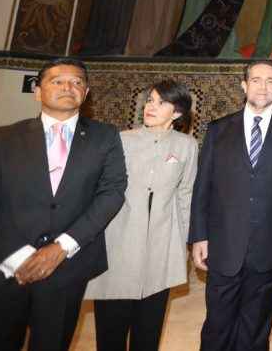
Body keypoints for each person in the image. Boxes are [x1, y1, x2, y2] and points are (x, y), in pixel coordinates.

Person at [0, 57, 127, 351]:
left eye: (77, 82)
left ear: (85, 93)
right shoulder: (1, 138)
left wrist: (61, 248)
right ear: (38, 91)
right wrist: (19, 257)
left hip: (66, 270)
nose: (68, 87)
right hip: (1, 269)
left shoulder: (105, 137)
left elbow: (111, 193)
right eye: (57, 81)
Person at [189, 61, 272, 351]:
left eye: (270, 81)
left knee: (256, 325)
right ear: (244, 85)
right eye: (256, 80)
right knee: (218, 323)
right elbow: (202, 186)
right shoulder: (218, 129)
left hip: (271, 243)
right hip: (223, 243)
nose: (263, 87)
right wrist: (198, 236)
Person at [85, 80, 198, 350]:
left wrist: (183, 245)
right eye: (150, 100)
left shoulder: (187, 146)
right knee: (110, 331)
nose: (151, 107)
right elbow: (101, 192)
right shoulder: (121, 140)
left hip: (161, 249)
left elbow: (186, 195)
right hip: (118, 245)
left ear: (178, 112)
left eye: (161, 102)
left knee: (148, 333)